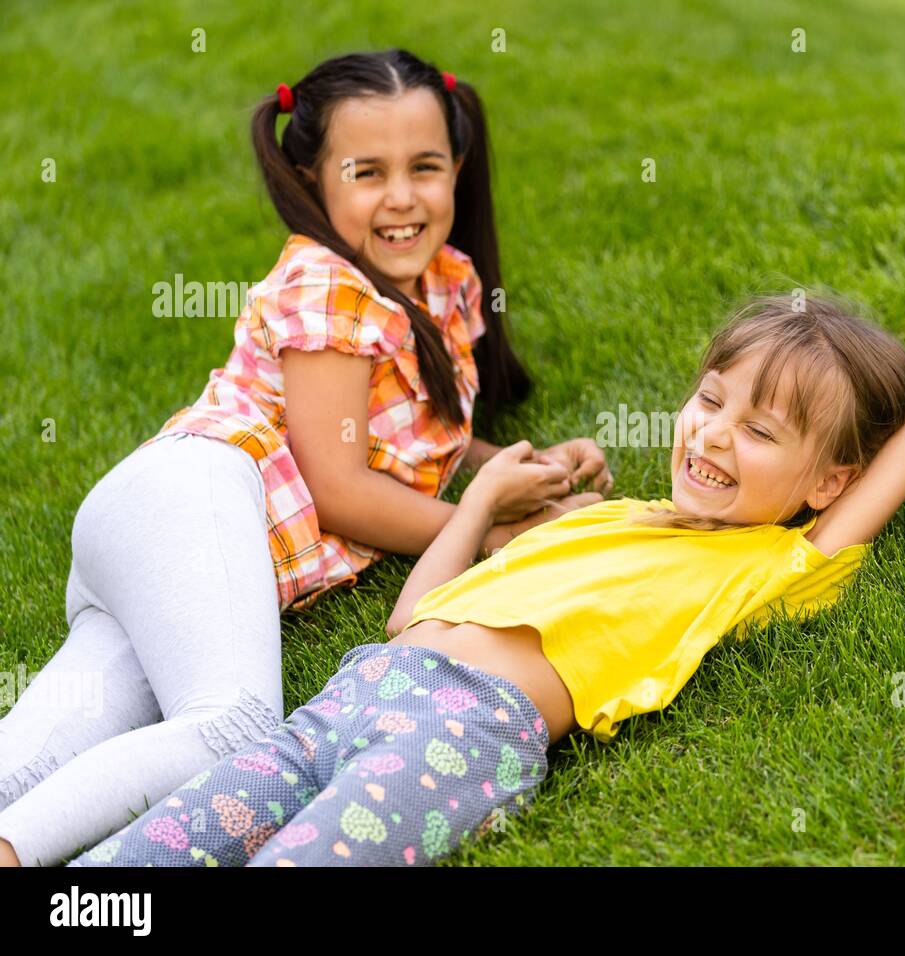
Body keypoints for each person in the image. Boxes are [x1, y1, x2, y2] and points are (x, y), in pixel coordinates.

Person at [68, 294, 905, 866]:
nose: (714, 436)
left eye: (763, 433)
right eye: (712, 402)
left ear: (827, 483)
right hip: (351, 696)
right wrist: (482, 494)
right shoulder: (607, 517)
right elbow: (408, 618)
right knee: (148, 856)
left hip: (467, 732)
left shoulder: (774, 563)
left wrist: (869, 399)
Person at [0, 49, 611, 868]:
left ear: (458, 168)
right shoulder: (330, 286)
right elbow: (342, 488)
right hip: (200, 494)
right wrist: (490, 530)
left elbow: (417, 439)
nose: (401, 198)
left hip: (162, 533)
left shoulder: (439, 280)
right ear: (311, 178)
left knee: (53, 737)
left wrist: (522, 472)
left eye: (425, 167)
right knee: (234, 724)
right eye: (367, 172)